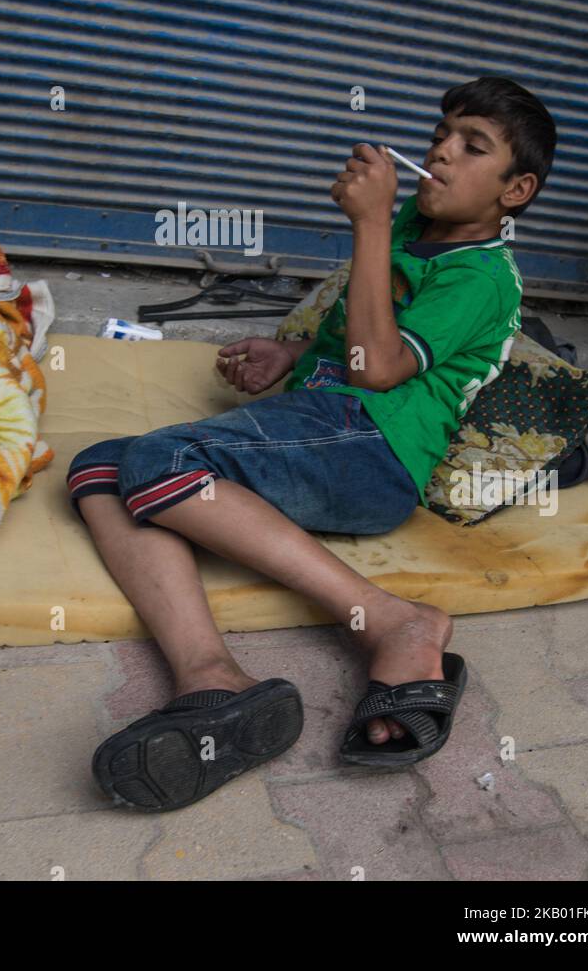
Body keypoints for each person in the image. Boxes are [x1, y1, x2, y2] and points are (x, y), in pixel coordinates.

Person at [66, 75, 557, 812]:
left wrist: (366, 224)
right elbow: (345, 339)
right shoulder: (405, 238)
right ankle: (209, 682)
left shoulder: (480, 276)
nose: (441, 155)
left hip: (375, 451)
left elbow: (379, 369)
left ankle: (396, 621)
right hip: (325, 428)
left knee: (158, 461)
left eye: (471, 147)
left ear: (514, 191)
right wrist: (288, 355)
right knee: (98, 466)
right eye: (439, 137)